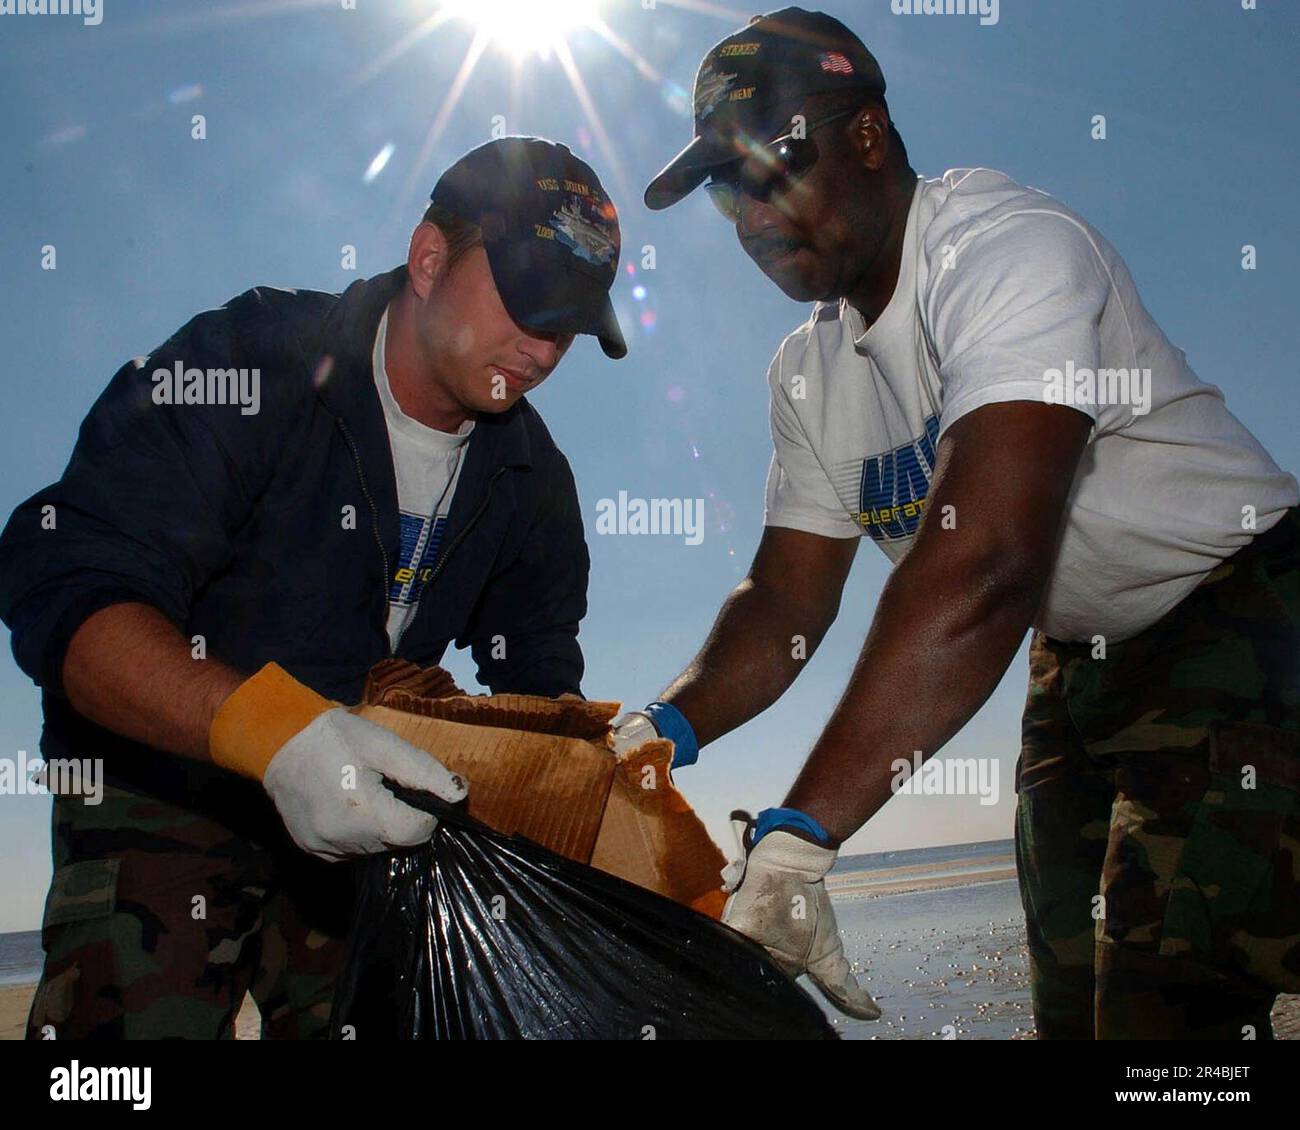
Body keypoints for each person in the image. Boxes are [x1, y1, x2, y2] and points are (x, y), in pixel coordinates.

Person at [617, 6, 1300, 1038]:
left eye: (772, 171)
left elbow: (986, 556)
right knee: (1069, 1008)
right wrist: (661, 732)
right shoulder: (807, 375)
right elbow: (784, 598)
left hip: (1244, 611)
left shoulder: (1003, 249)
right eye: (728, 195)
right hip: (1073, 659)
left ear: (865, 135)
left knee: (1165, 1020)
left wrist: (800, 836)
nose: (753, 218)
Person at [0, 136, 627, 1039]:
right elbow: (68, 583)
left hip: (356, 806)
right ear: (428, 257)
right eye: (529, 301)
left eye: (569, 322)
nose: (542, 349)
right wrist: (269, 736)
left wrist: (602, 784)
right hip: (165, 784)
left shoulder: (532, 479)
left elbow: (535, 671)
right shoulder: (249, 363)